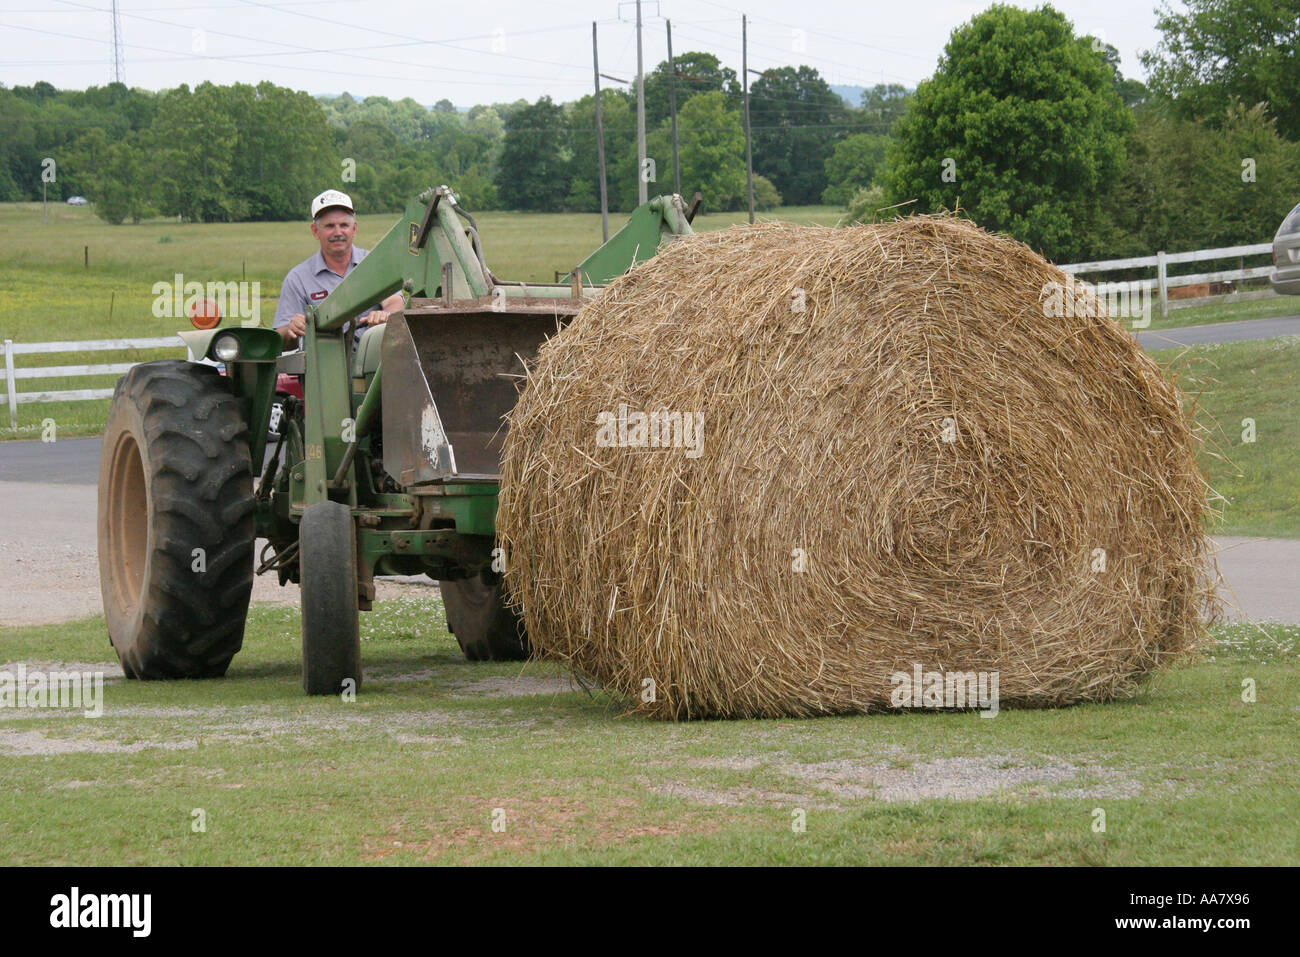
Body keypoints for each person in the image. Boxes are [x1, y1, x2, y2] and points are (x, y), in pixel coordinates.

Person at [273, 189, 405, 350]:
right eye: (329, 226)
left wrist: (385, 315)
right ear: (315, 231)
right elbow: (281, 338)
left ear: (354, 229)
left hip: (375, 364)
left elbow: (395, 302)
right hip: (323, 370)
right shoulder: (298, 278)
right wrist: (293, 328)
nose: (338, 232)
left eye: (344, 225)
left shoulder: (375, 264)